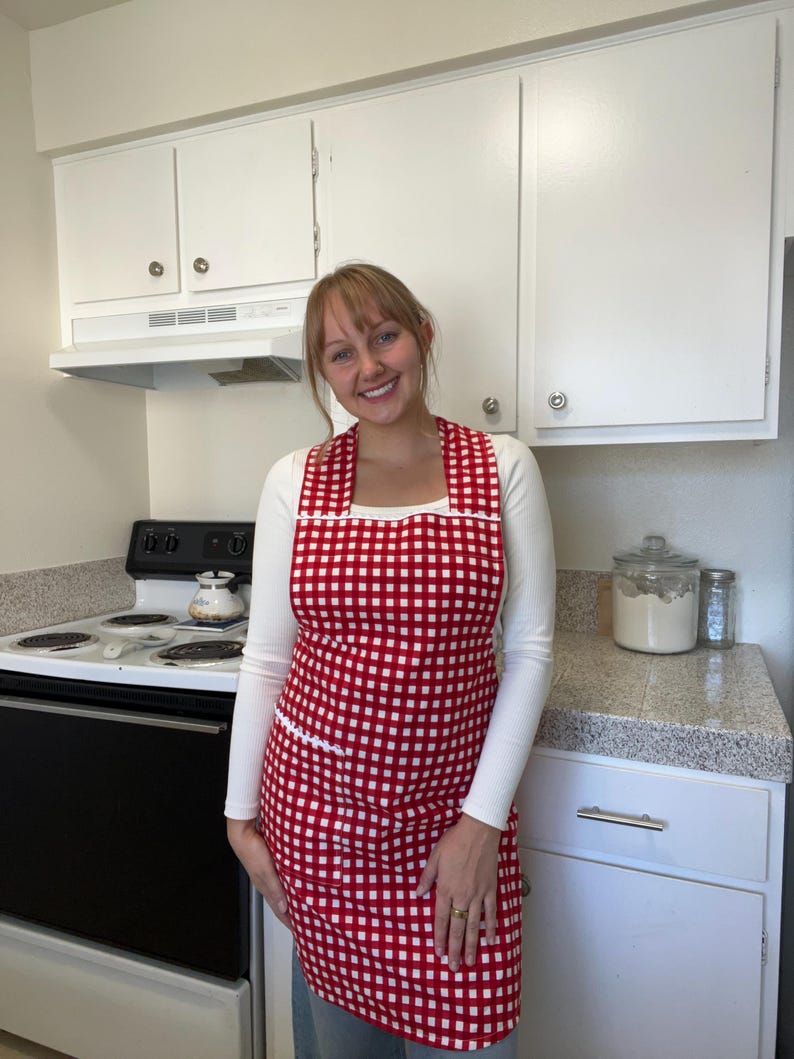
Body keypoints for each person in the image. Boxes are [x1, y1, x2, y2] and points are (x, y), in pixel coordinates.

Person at [225, 263, 555, 1058]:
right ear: (323, 373)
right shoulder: (294, 481)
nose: (368, 367)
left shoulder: (501, 465)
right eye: (341, 354)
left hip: (454, 824)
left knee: (472, 1030)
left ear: (422, 335)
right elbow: (267, 660)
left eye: (384, 336)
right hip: (322, 828)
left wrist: (479, 828)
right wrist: (239, 820)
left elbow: (532, 650)